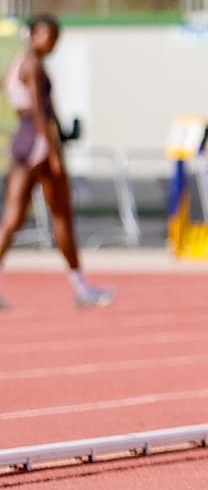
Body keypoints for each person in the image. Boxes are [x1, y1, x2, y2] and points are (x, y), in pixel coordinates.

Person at [0, 16, 115, 310]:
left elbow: (15, 98)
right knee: (61, 214)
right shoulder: (34, 65)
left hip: (24, 142)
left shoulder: (17, 62)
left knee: (13, 219)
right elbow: (41, 111)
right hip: (38, 143)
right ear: (35, 34)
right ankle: (81, 285)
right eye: (49, 35)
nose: (53, 42)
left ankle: (81, 285)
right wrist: (54, 154)